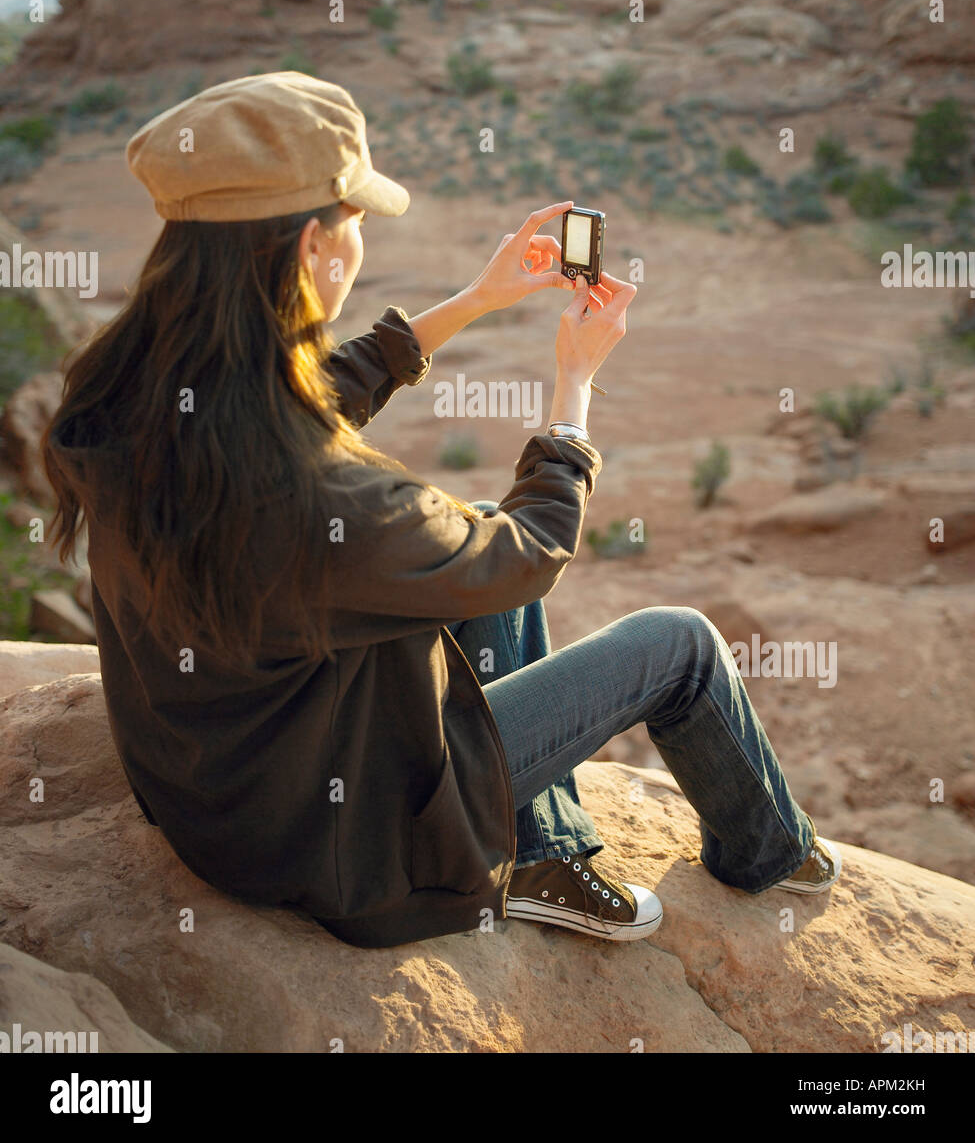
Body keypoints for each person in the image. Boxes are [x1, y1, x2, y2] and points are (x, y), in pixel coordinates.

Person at [42, 72, 841, 951]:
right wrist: (572, 390)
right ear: (314, 245)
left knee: (459, 529)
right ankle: (770, 857)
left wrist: (478, 299)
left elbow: (305, 404)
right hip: (349, 846)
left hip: (219, 798)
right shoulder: (324, 495)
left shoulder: (120, 392)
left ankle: (539, 852)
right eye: (356, 220)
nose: (359, 239)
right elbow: (529, 551)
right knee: (679, 643)